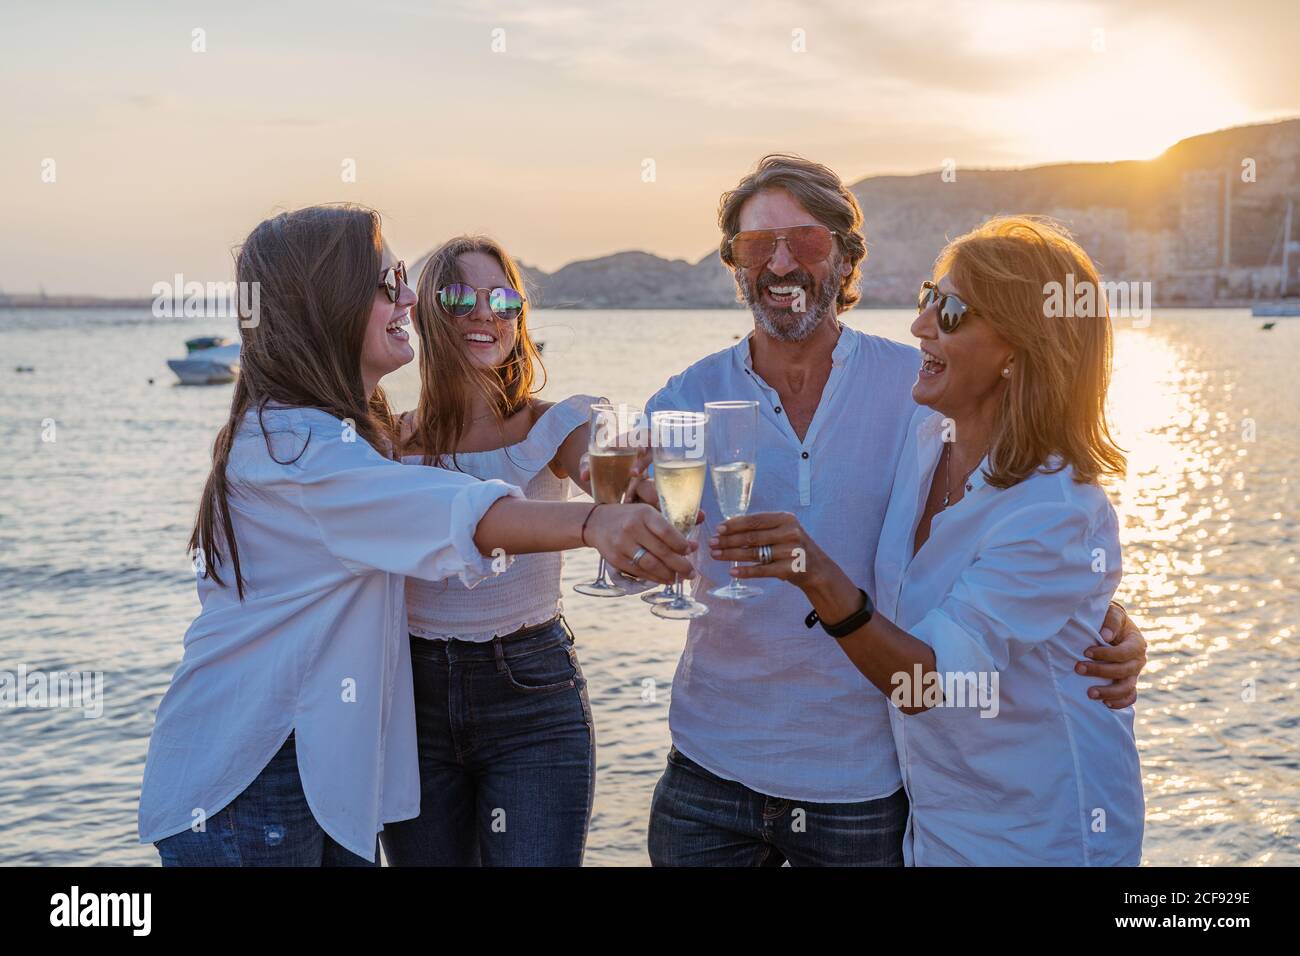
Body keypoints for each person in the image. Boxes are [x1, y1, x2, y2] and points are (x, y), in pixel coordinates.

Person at [627, 155, 1147, 866]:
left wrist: (1103, 617)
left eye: (805, 242)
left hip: (879, 791)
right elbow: (636, 564)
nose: (781, 264)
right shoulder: (690, 399)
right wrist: (621, 528)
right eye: (757, 247)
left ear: (843, 259)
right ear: (735, 266)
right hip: (721, 771)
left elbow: (1045, 537)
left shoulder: (917, 395)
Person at [137, 206, 693, 866]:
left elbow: (587, 449)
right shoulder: (302, 449)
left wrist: (634, 482)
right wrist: (595, 523)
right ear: (327, 306)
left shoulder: (341, 437)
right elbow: (453, 510)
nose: (407, 294)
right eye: (389, 283)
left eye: (502, 299)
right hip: (257, 770)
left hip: (327, 755)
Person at [381, 236, 601, 866]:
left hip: (531, 692)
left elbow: (614, 481)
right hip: (412, 697)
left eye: (503, 299)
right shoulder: (390, 443)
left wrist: (640, 496)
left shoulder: (555, 426)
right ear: (422, 314)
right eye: (459, 298)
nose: (485, 314)